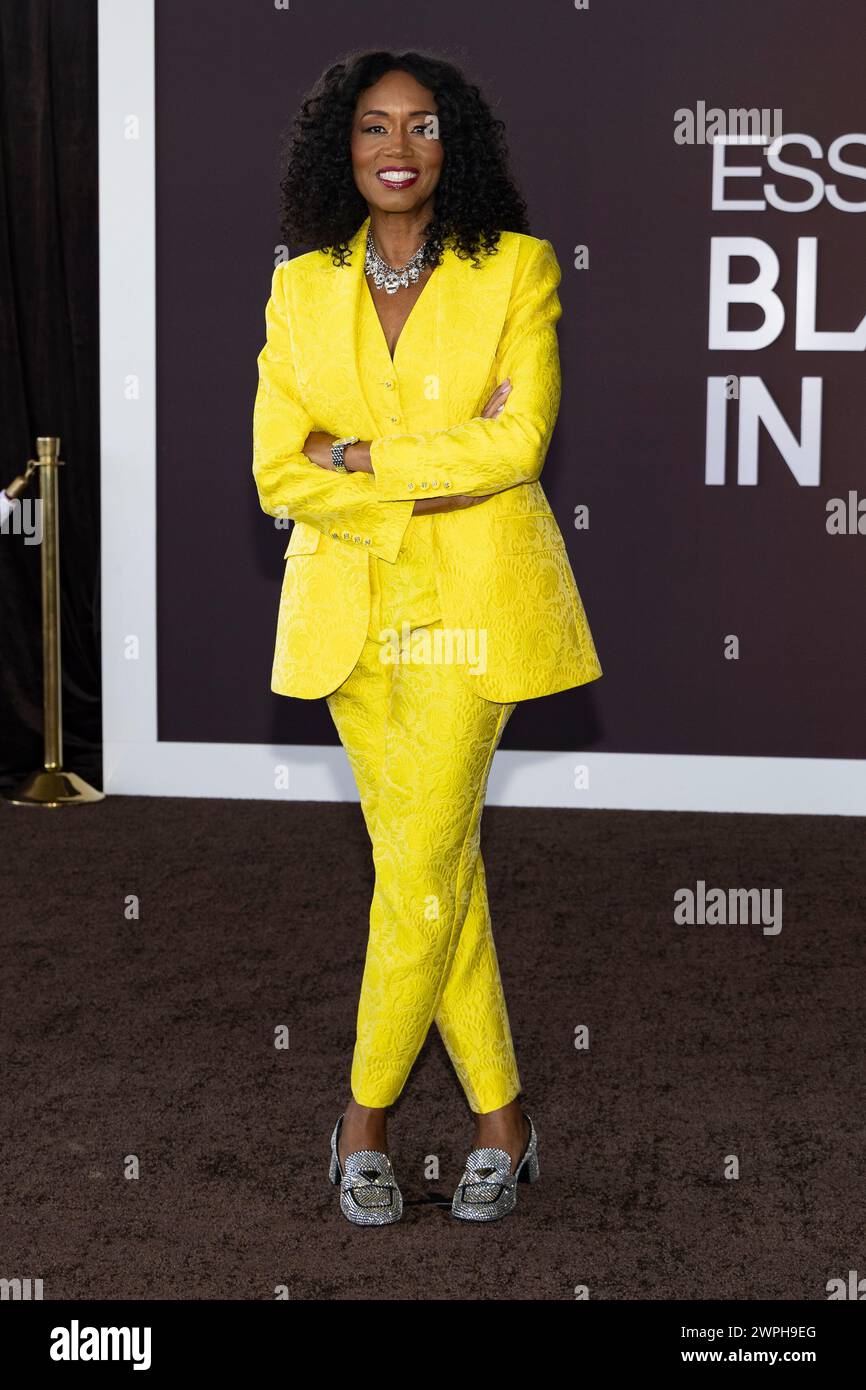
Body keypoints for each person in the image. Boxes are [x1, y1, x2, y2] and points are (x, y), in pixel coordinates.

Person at [252, 49, 602, 1225]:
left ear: (454, 147)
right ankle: (503, 1114)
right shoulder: (299, 288)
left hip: (470, 613)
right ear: (339, 149)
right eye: (370, 126)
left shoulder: (513, 270)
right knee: (434, 870)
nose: (395, 146)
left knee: (412, 871)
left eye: (421, 125)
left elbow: (518, 448)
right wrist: (420, 472)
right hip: (351, 620)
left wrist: (350, 458)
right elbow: (270, 471)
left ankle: (361, 1118)